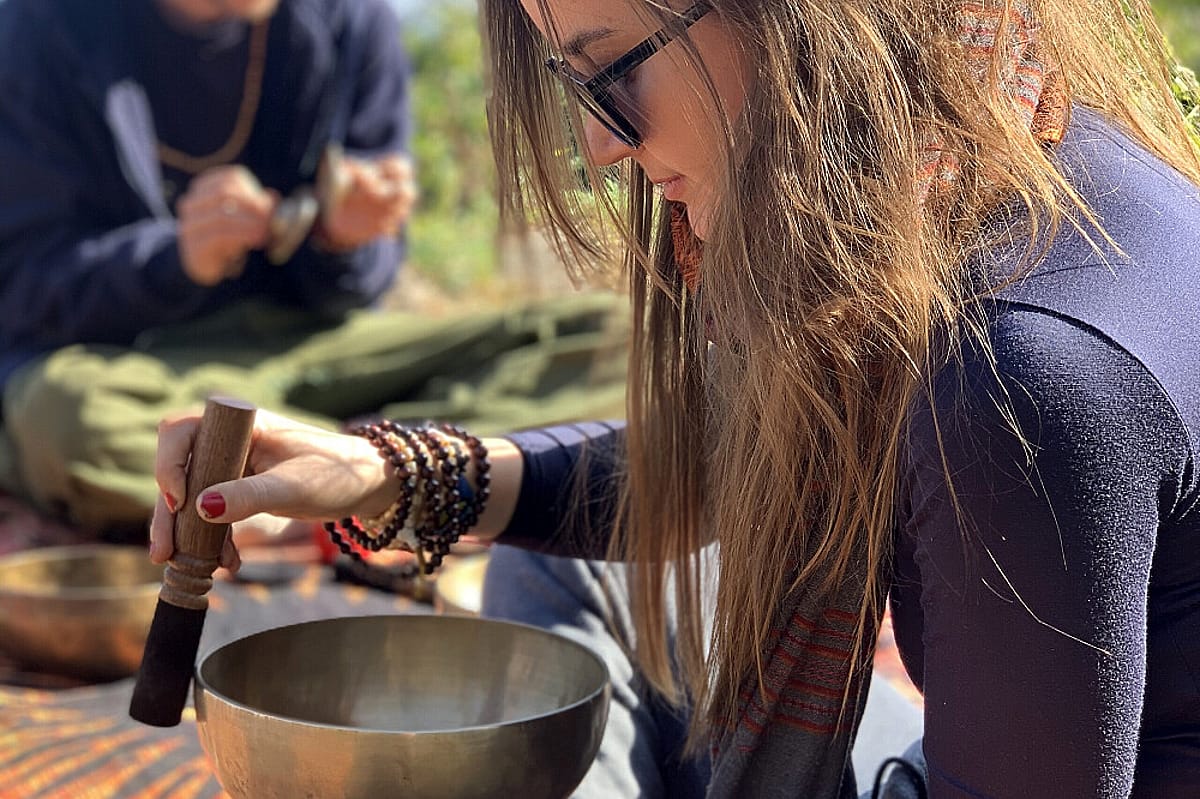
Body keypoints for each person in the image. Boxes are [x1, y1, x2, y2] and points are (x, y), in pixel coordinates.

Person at [150, 0, 1200, 796]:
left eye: (610, 74)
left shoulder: (1022, 385)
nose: (601, 144)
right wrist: (393, 473)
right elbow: (720, 465)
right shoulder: (1001, 142)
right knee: (557, 576)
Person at [0, 0, 415, 533]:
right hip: (125, 366)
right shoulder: (41, 26)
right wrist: (174, 260)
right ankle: (379, 477)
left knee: (548, 340)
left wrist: (340, 241)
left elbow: (369, 281)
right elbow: (20, 286)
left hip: (305, 350)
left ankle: (333, 477)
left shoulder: (352, 19)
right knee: (68, 419)